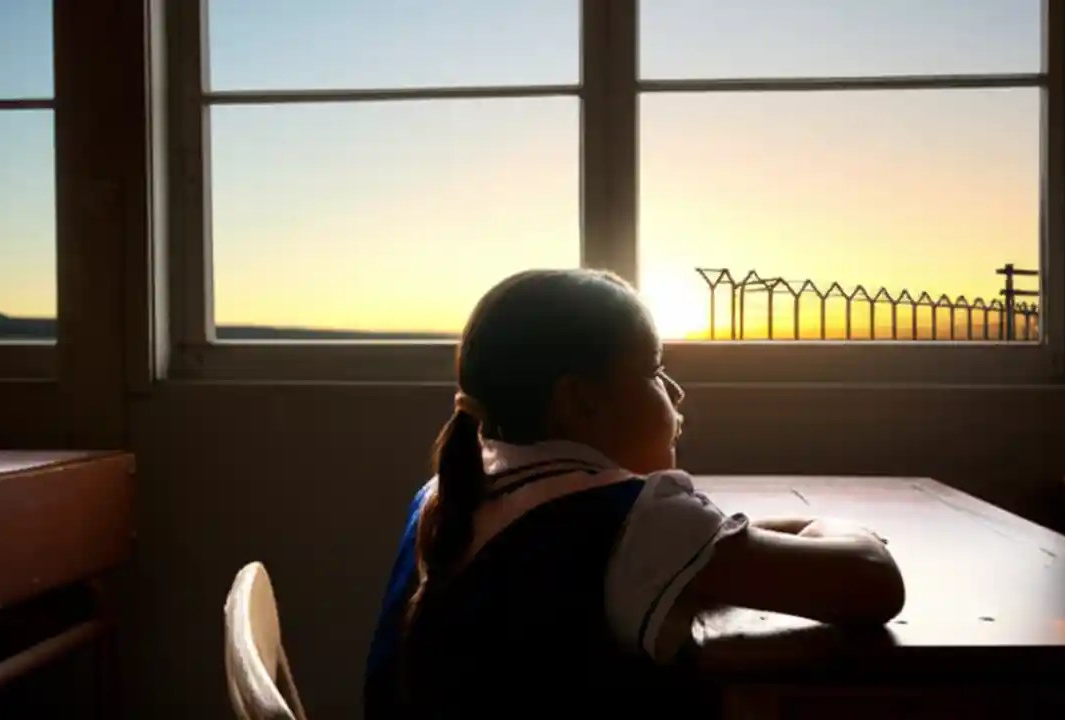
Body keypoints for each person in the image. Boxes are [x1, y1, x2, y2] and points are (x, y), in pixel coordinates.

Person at [364, 268, 904, 718]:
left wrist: (756, 534)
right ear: (581, 402)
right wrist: (835, 526)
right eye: (655, 370)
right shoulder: (632, 522)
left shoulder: (447, 495)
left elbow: (685, 550)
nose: (676, 392)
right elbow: (873, 582)